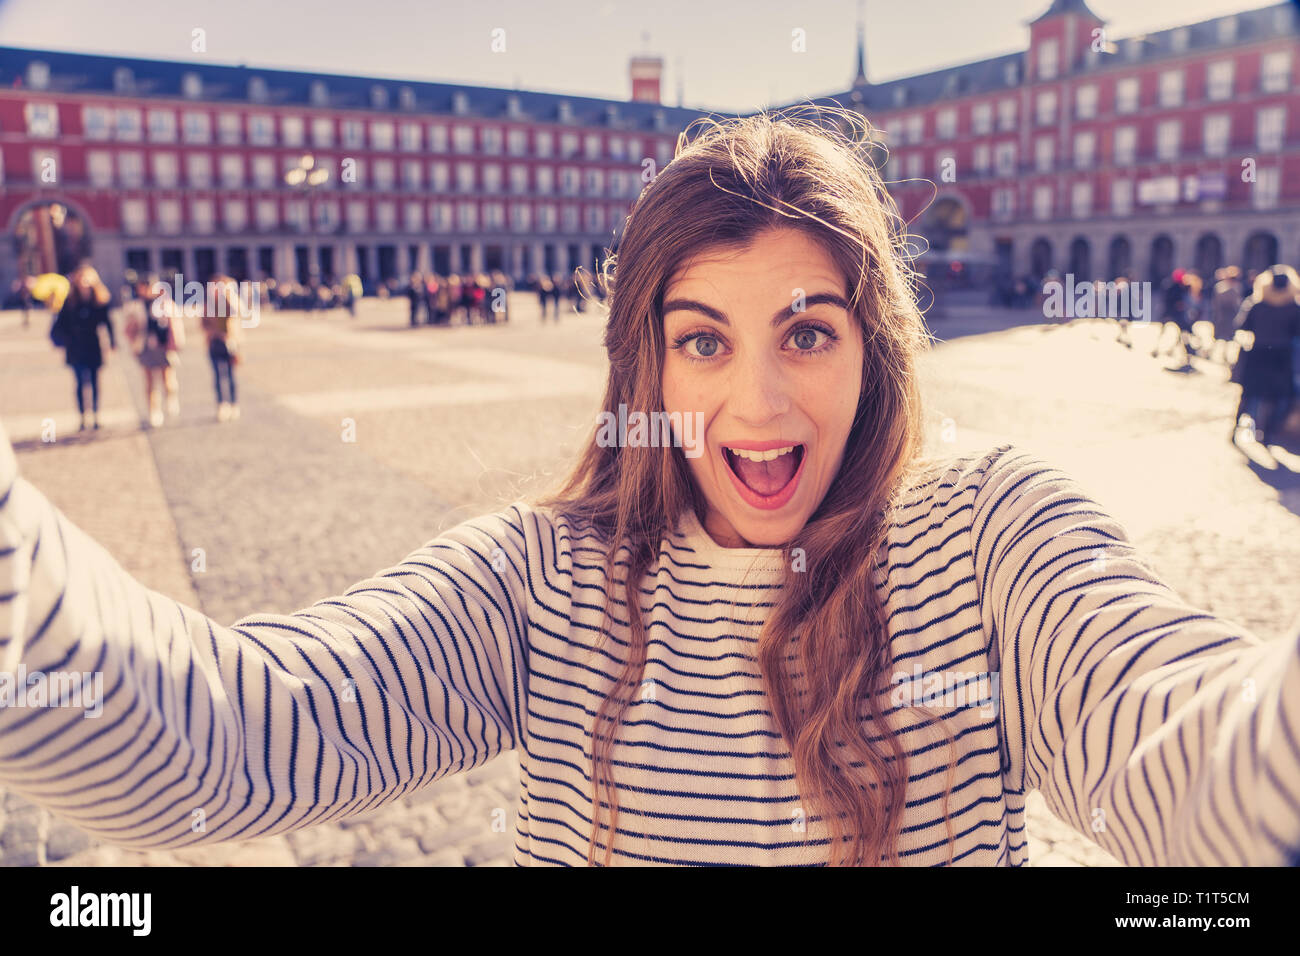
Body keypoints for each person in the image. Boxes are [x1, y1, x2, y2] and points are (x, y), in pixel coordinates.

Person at [2, 110, 1298, 868]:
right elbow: (227, 736)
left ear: (876, 347)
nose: (758, 405)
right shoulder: (547, 581)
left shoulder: (990, 539)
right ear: (643, 356)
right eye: (701, 340)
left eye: (806, 333)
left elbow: (1174, 753)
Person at [1230, 264, 1300, 447]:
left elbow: (1242, 326)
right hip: (1281, 357)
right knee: (1277, 397)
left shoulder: (1257, 304)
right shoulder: (1293, 307)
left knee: (1248, 394)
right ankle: (1266, 434)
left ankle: (1234, 427)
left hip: (1258, 353)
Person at [50, 263, 115, 431]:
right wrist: (63, 340)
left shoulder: (99, 299)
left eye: (87, 279)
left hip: (93, 345)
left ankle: (95, 415)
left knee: (94, 382)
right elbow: (61, 323)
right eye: (81, 279)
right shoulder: (70, 301)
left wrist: (113, 342)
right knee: (80, 383)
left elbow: (108, 323)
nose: (84, 283)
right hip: (75, 347)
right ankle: (82, 416)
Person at [124, 275, 184, 428]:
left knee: (167, 377)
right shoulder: (135, 306)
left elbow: (175, 325)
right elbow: (128, 330)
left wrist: (176, 344)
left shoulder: (165, 304)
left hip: (163, 347)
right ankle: (154, 411)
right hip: (145, 346)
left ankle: (171, 397)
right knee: (149, 381)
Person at [201, 273, 243, 422]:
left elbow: (238, 313)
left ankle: (233, 404)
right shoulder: (208, 304)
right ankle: (221, 405)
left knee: (231, 376)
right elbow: (203, 324)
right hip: (214, 343)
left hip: (231, 344)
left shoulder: (232, 301)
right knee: (218, 376)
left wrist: (227, 295)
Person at [1210, 266, 1244, 365]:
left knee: (1229, 337)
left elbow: (1238, 303)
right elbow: (1217, 303)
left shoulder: (1237, 287)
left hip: (1231, 315)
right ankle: (1215, 353)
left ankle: (1226, 355)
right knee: (1219, 336)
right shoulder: (1221, 287)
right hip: (1223, 314)